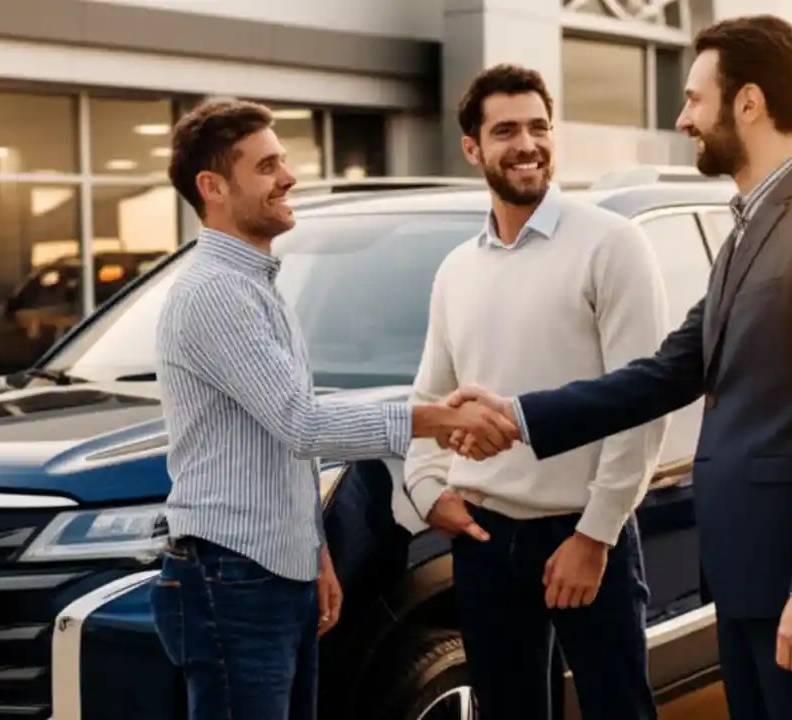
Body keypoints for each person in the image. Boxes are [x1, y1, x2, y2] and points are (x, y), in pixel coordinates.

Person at [448, 15, 792, 720]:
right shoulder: (752, 225)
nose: (684, 117)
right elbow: (664, 374)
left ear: (748, 103)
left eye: (696, 98)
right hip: (752, 581)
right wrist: (515, 415)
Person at [150, 99, 521, 720]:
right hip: (233, 583)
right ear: (212, 187)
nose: (288, 177)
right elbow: (302, 423)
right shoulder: (214, 294)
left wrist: (312, 552)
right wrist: (432, 418)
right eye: (267, 166)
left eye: (283, 161)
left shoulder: (256, 287)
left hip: (268, 573)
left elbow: (280, 443)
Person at [404, 64, 670, 720]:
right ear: (473, 148)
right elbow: (429, 397)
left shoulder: (611, 244)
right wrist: (427, 488)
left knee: (618, 709)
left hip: (581, 533)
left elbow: (641, 403)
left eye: (539, 127)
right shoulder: (456, 269)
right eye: (506, 131)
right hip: (484, 539)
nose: (527, 143)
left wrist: (595, 535)